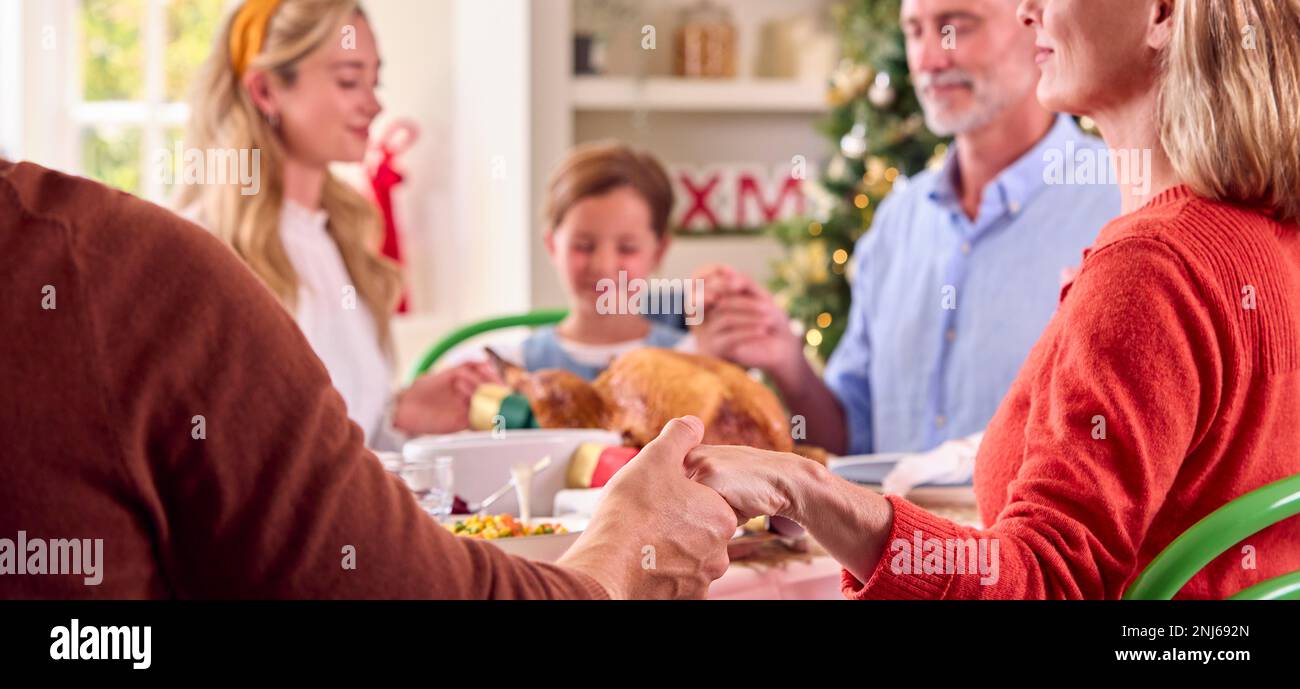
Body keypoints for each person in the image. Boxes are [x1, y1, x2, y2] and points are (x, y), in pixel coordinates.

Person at [683, 0, 1300, 599]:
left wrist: (801, 485)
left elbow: (1044, 585)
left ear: (1162, 12)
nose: (1029, 9)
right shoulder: (1268, 238)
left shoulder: (1149, 266)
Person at [0, 158, 736, 599]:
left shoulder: (315, 248)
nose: (373, 104)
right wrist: (613, 565)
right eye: (351, 78)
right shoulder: (135, 272)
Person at [693, 0, 1120, 458]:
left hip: (1038, 532)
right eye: (915, 31)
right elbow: (850, 445)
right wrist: (787, 361)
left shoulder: (1117, 202)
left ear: (1034, 23)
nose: (929, 59)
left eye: (956, 27)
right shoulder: (898, 220)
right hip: (901, 534)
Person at [177, 0, 495, 445]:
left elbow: (347, 443)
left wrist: (400, 413)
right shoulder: (200, 250)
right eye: (349, 80)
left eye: (374, 80)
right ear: (266, 90)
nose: (374, 104)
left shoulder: (340, 240)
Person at [445, 142, 692, 382]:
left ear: (659, 252)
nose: (603, 266)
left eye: (627, 248)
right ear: (552, 245)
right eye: (583, 246)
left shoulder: (692, 360)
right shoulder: (508, 367)